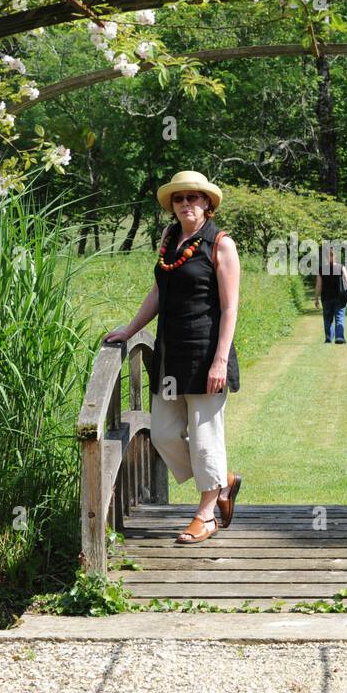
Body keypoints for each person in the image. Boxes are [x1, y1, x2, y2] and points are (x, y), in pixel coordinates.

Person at [105, 170, 243, 545]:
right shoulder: (169, 241)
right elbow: (158, 292)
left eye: (193, 198)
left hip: (205, 353)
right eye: (179, 199)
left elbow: (230, 310)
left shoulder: (221, 244)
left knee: (204, 438)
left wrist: (219, 361)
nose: (186, 204)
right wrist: (130, 331)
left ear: (207, 204)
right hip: (169, 354)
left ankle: (205, 515)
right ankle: (222, 481)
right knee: (163, 434)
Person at [314, 244, 347, 343]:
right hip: (340, 297)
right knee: (340, 317)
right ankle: (339, 337)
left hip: (326, 298)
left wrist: (316, 298)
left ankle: (328, 338)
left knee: (327, 318)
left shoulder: (321, 269)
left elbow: (319, 285)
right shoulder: (341, 267)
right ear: (335, 256)